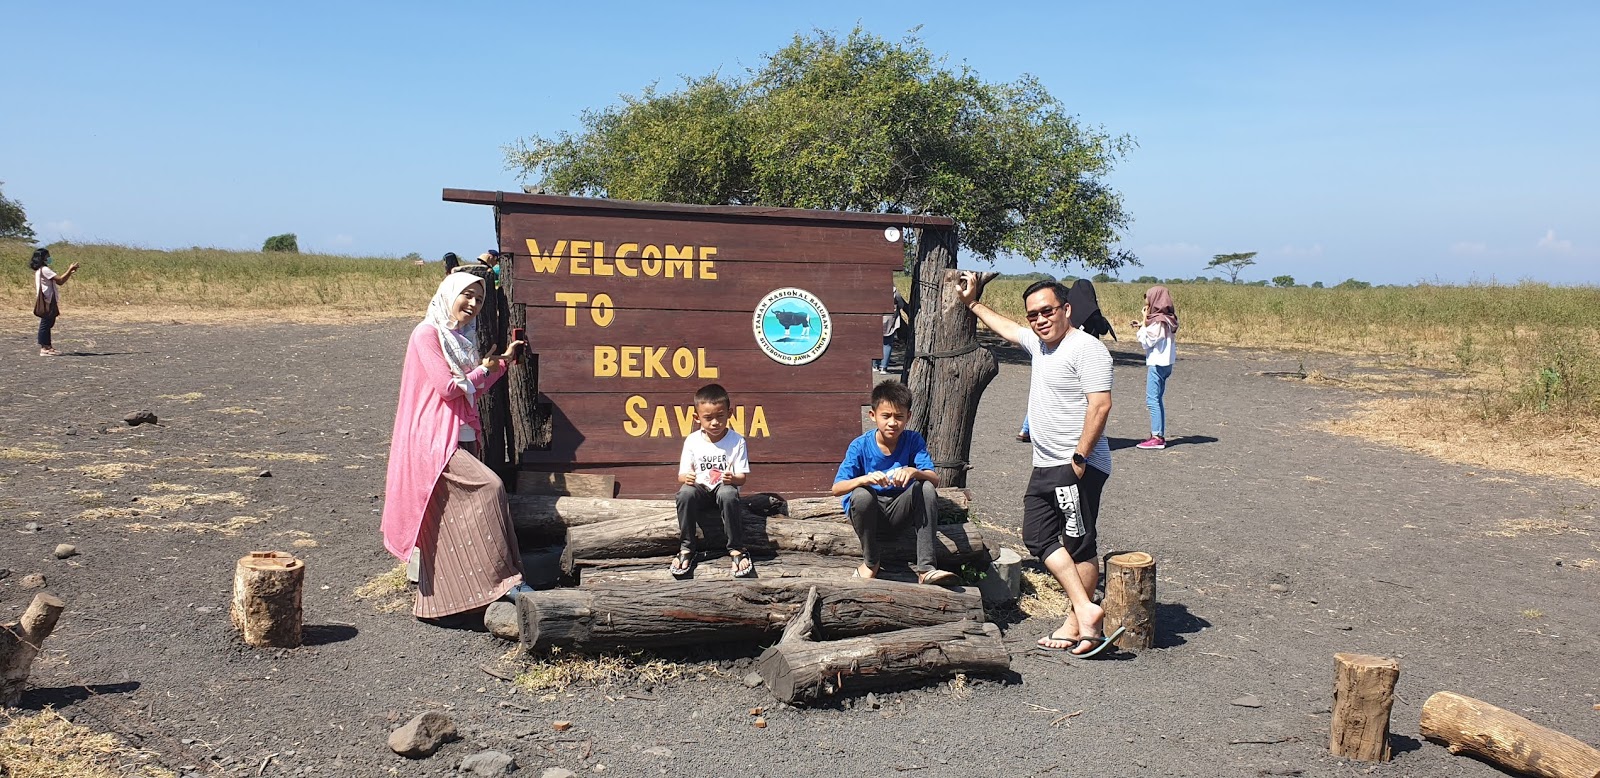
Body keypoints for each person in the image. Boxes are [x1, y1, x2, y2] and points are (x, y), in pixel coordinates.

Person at [958, 273, 1124, 656]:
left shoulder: (1087, 349)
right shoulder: (1040, 344)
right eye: (1034, 315)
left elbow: (1101, 405)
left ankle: (1078, 623)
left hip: (1077, 464)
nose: (1039, 320)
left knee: (1078, 544)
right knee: (1036, 536)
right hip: (1046, 463)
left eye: (1047, 311)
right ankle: (1085, 609)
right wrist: (972, 303)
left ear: (1066, 310)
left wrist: (1079, 459)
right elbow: (1008, 329)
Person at [380, 273, 531, 620]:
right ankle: (506, 582)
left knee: (447, 518)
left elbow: (473, 386)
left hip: (459, 435)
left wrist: (503, 361)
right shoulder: (427, 334)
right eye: (467, 295)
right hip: (434, 439)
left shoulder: (459, 339)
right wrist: (482, 369)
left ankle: (440, 602)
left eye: (479, 299)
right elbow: (450, 388)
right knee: (490, 488)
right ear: (448, 294)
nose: (473, 304)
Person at [831, 381, 957, 586]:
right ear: (873, 416)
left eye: (899, 417)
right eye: (886, 416)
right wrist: (864, 479)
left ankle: (926, 568)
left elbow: (934, 480)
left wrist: (914, 471)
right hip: (869, 513)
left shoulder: (913, 440)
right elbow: (837, 489)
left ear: (908, 417)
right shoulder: (860, 445)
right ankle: (871, 562)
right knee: (861, 494)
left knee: (924, 487)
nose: (892, 423)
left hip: (900, 509)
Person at [670, 383, 754, 578]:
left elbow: (742, 478)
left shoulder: (737, 441)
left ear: (729, 413)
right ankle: (686, 548)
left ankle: (736, 548)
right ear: (696, 418)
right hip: (700, 488)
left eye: (720, 416)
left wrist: (733, 478)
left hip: (722, 489)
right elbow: (682, 475)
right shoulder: (692, 440)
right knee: (684, 493)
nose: (715, 423)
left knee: (728, 492)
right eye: (708, 418)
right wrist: (687, 478)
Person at [1018, 278, 1116, 442]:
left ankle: (1025, 429)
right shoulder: (1091, 311)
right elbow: (1103, 329)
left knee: (1045, 391)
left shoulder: (1068, 310)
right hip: (1077, 359)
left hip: (1064, 353)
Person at [1133, 286, 1178, 450]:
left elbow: (1147, 341)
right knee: (1157, 398)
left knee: (1152, 400)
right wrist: (1143, 324)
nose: (1146, 301)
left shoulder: (1158, 320)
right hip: (1166, 363)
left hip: (1157, 363)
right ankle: (1157, 434)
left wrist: (1144, 321)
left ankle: (1157, 436)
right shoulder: (1168, 318)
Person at [29, 248, 79, 357]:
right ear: (43, 258)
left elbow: (60, 281)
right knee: (46, 324)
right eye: (47, 256)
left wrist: (70, 273)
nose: (49, 258)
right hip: (48, 299)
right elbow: (60, 280)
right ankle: (45, 347)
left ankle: (47, 346)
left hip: (47, 298)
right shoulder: (45, 270)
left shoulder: (39, 270)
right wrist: (69, 269)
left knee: (48, 323)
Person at [875, 287, 910, 374]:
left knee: (875, 342)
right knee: (887, 343)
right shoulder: (893, 291)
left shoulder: (873, 289)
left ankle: (875, 365)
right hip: (889, 319)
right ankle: (883, 367)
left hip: (875, 317)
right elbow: (901, 304)